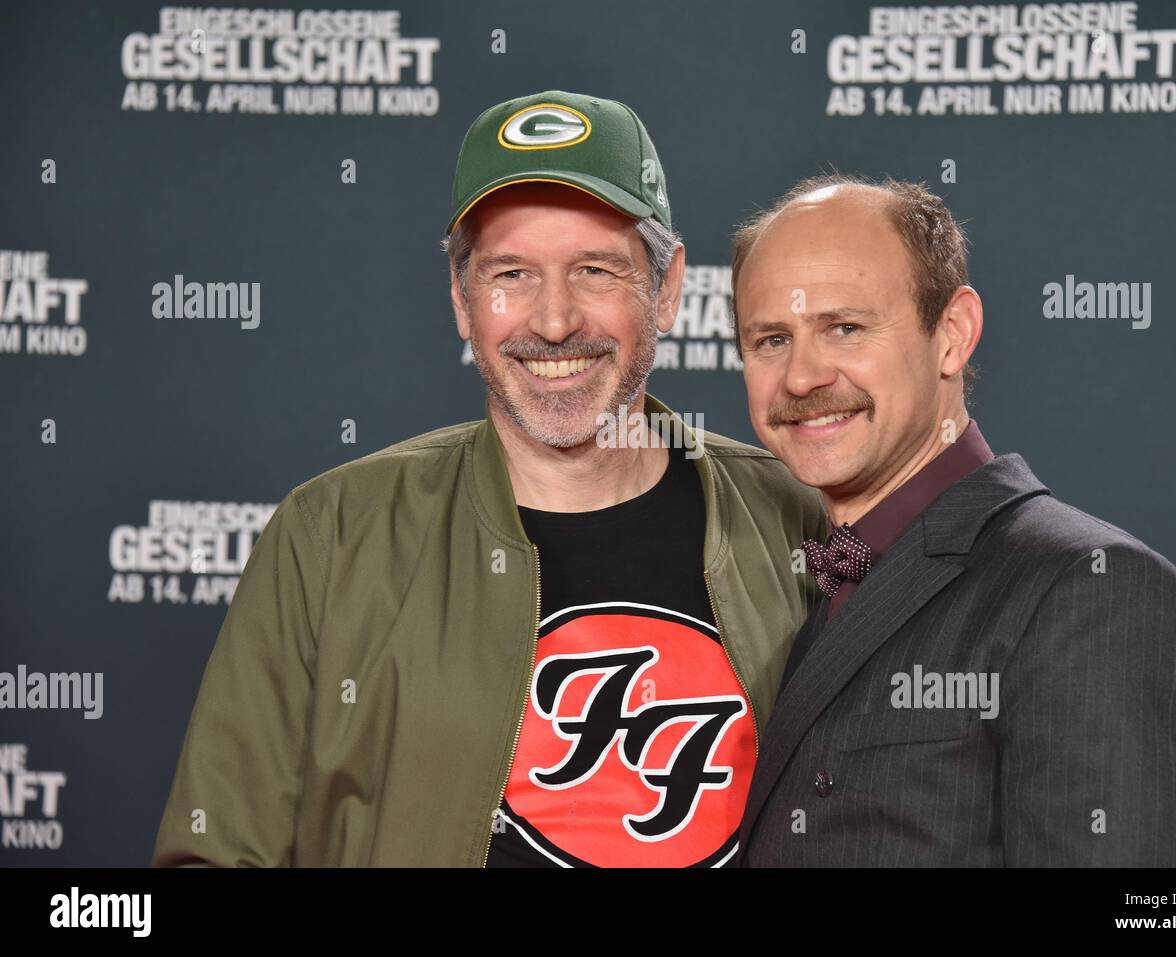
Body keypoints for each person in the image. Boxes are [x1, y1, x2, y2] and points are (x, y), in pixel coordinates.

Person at [151, 90, 824, 868]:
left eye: (596, 270)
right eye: (511, 273)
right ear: (461, 297)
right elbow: (212, 854)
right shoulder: (330, 535)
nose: (554, 320)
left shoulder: (794, 520)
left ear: (668, 288)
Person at [733, 173, 1176, 866]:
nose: (801, 376)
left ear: (953, 334)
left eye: (844, 328)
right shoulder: (798, 586)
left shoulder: (1092, 591)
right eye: (769, 340)